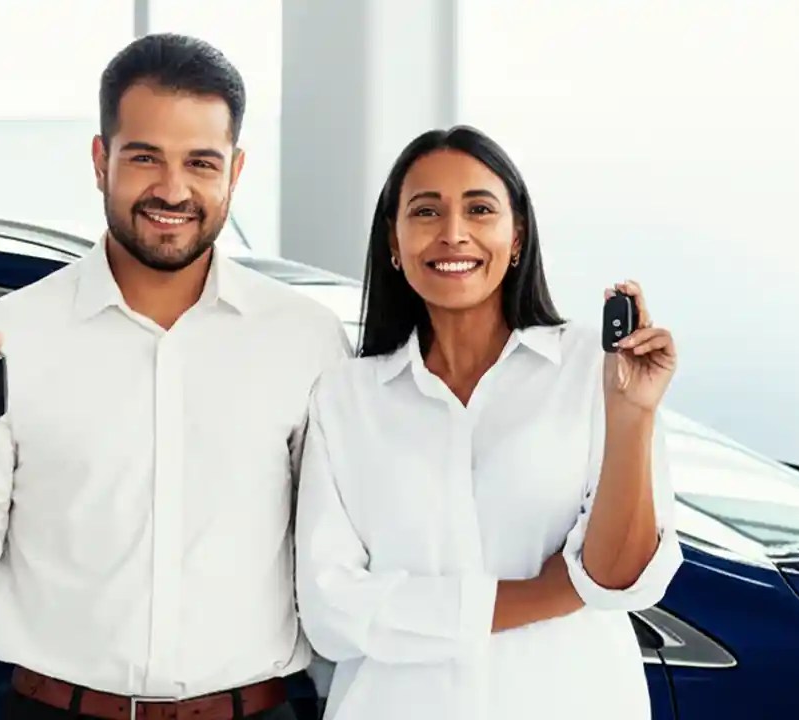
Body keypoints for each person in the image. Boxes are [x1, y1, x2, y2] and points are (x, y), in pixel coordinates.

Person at [0, 33, 350, 720]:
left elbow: (333, 570)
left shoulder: (305, 340)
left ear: (235, 169)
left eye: (201, 162)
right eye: (145, 158)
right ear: (100, 159)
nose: (172, 190)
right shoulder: (8, 337)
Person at [293, 125, 683, 719]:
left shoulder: (590, 371)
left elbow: (619, 579)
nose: (453, 233)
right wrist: (547, 592)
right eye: (426, 211)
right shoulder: (346, 398)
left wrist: (632, 416)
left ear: (517, 235)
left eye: (479, 208)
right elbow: (332, 613)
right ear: (393, 243)